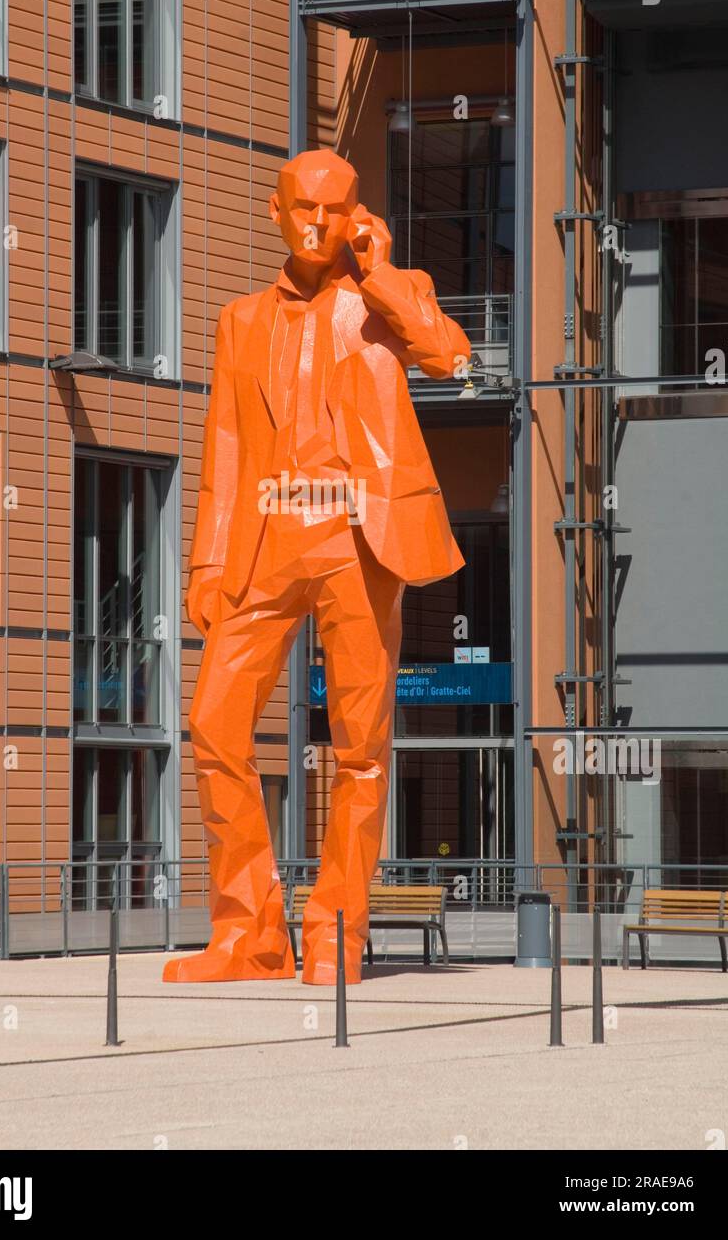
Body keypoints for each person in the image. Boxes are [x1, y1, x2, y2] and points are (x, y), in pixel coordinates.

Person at [163, 149, 470, 985]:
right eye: (301, 206)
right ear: (274, 210)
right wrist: (208, 558)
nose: (315, 222)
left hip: (356, 542)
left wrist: (383, 272)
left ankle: (337, 930)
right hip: (266, 540)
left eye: (333, 210)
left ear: (354, 217)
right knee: (214, 726)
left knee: (358, 746)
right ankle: (248, 934)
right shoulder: (239, 321)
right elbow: (223, 444)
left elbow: (450, 357)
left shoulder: (384, 301)